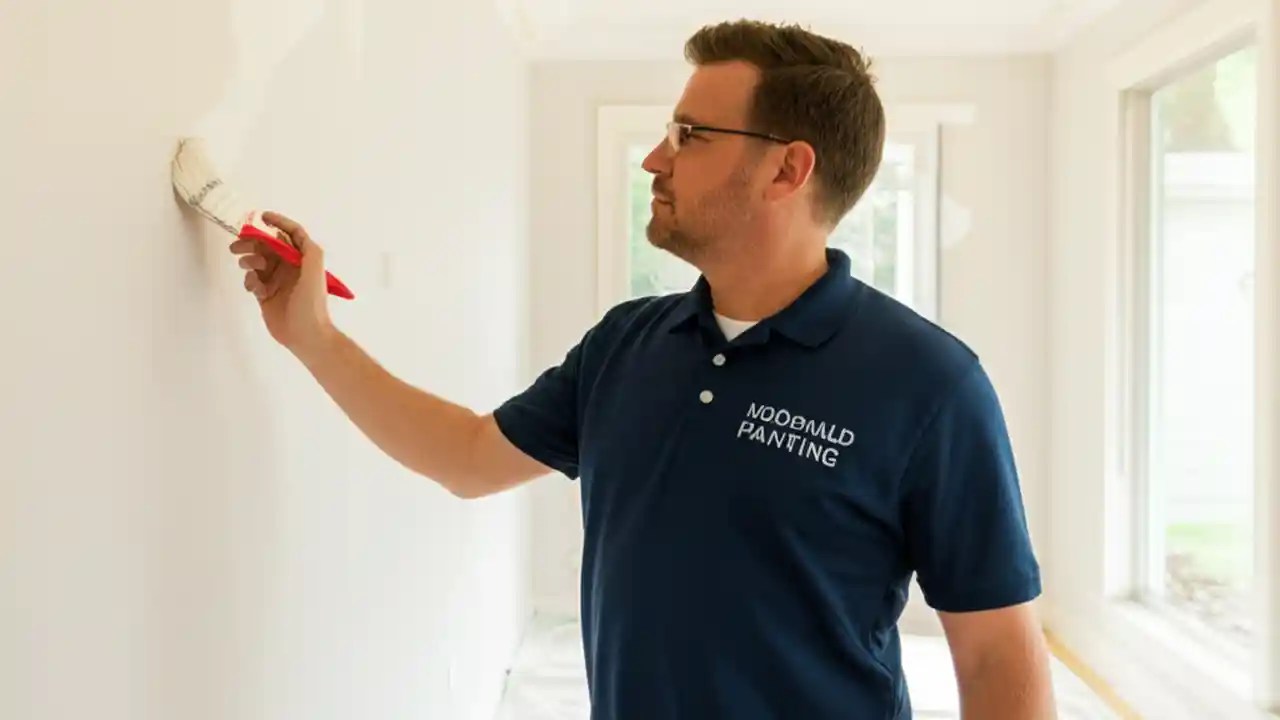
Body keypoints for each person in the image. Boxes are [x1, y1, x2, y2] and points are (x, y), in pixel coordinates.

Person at [231, 19, 1056, 720]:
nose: (655, 159)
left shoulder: (930, 385)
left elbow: (995, 654)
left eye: (691, 135)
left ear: (787, 169)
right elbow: (469, 457)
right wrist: (315, 338)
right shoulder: (629, 344)